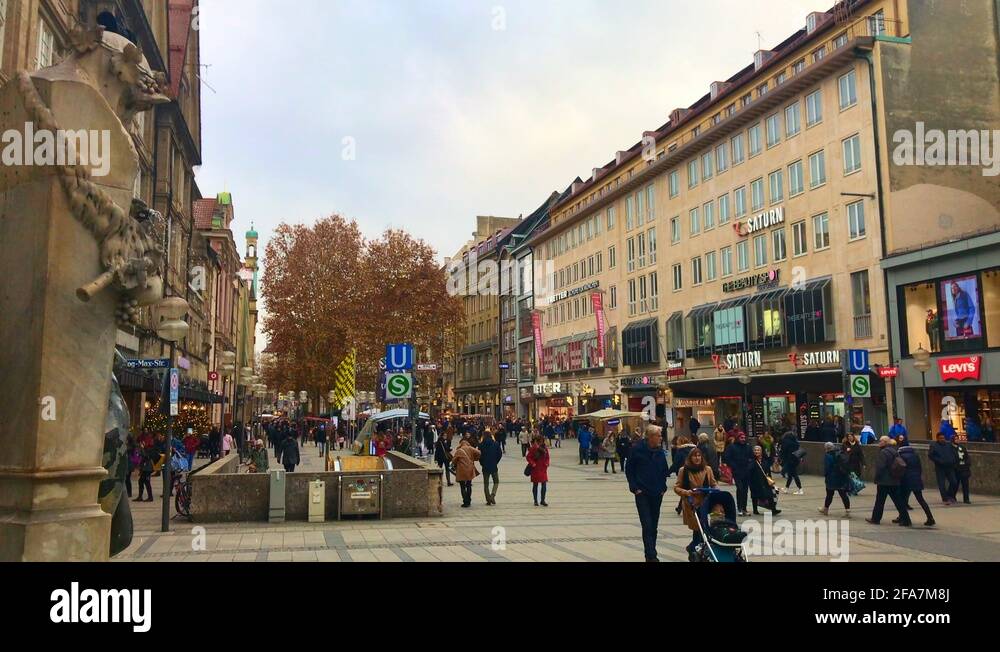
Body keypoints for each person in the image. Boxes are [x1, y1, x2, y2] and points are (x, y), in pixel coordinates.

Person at [627, 425, 669, 562]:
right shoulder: (637, 449)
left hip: (657, 492)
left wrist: (663, 488)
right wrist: (635, 488)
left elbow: (664, 470)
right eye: (658, 436)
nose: (661, 438)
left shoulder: (660, 452)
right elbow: (629, 469)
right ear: (650, 437)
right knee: (647, 525)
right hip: (642, 493)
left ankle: (650, 553)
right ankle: (651, 555)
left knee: (654, 526)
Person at [674, 446, 718, 561]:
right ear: (690, 458)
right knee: (698, 529)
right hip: (691, 504)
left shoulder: (707, 469)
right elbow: (677, 487)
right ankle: (695, 549)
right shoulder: (684, 470)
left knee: (702, 530)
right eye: (694, 456)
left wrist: (715, 491)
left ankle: (694, 549)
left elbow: (713, 484)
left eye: (699, 456)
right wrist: (686, 492)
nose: (697, 458)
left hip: (706, 503)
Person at [866, 437, 911, 526]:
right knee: (898, 501)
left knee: (880, 501)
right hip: (894, 480)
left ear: (885, 442)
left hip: (884, 481)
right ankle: (906, 519)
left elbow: (880, 467)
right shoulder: (894, 451)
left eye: (881, 441)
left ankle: (876, 519)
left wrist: (877, 478)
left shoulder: (883, 452)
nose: (879, 442)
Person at [896, 441, 935, 527]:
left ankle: (903, 518)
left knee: (902, 500)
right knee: (920, 499)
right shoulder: (915, 455)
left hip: (906, 480)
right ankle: (930, 517)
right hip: (916, 479)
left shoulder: (901, 456)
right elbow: (919, 467)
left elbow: (900, 468)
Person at [722, 430, 753, 516]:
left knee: (745, 490)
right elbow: (727, 458)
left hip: (746, 471)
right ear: (738, 438)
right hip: (737, 472)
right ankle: (740, 507)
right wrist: (734, 466)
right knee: (740, 489)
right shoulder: (732, 447)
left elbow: (751, 458)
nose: (743, 439)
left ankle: (744, 508)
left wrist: (749, 466)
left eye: (744, 438)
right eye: (741, 438)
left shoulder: (748, 447)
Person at [818, 442, 850, 517]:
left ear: (826, 448)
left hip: (832, 477)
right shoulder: (840, 452)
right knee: (843, 494)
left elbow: (827, 467)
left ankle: (825, 509)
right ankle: (847, 511)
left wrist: (826, 475)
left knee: (829, 494)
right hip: (841, 476)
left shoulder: (828, 455)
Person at [749, 445, 781, 516]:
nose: (756, 451)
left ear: (761, 452)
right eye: (755, 450)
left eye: (758, 450)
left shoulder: (764, 460)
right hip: (755, 481)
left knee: (770, 494)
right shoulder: (751, 460)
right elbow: (749, 469)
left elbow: (768, 471)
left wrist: (770, 480)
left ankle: (773, 509)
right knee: (755, 495)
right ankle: (755, 510)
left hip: (764, 481)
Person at [928, 432, 959, 504]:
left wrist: (953, 460)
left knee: (954, 482)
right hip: (940, 467)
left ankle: (950, 495)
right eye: (941, 438)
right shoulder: (934, 446)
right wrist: (939, 461)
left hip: (949, 466)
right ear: (937, 439)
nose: (942, 439)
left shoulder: (948, 445)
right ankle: (945, 499)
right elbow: (931, 455)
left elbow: (954, 453)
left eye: (943, 438)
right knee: (942, 484)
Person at [452, 439, 481, 508]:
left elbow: (454, 460)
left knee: (462, 486)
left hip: (461, 470)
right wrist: (475, 458)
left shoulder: (459, 450)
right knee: (468, 485)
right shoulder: (470, 448)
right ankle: (469, 500)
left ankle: (465, 501)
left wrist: (456, 464)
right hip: (469, 469)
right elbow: (479, 452)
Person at [478, 430, 503, 506]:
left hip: (485, 466)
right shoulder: (496, 444)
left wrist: (482, 463)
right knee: (496, 481)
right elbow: (500, 454)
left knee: (486, 484)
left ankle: (488, 500)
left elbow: (479, 456)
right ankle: (492, 495)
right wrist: (496, 461)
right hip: (493, 466)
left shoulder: (481, 445)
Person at [526, 436, 550, 507]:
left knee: (544, 484)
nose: (541, 443)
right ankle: (535, 500)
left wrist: (547, 463)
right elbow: (528, 457)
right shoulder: (533, 448)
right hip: (535, 469)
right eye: (539, 441)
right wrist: (533, 463)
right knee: (535, 484)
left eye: (542, 441)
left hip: (543, 468)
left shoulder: (545, 448)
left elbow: (547, 457)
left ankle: (542, 500)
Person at [779, 430, 803, 495]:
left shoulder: (785, 442)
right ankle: (786, 488)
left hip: (789, 460)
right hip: (795, 460)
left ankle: (800, 489)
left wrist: (781, 458)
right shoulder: (796, 443)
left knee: (794, 474)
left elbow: (783, 452)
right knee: (790, 475)